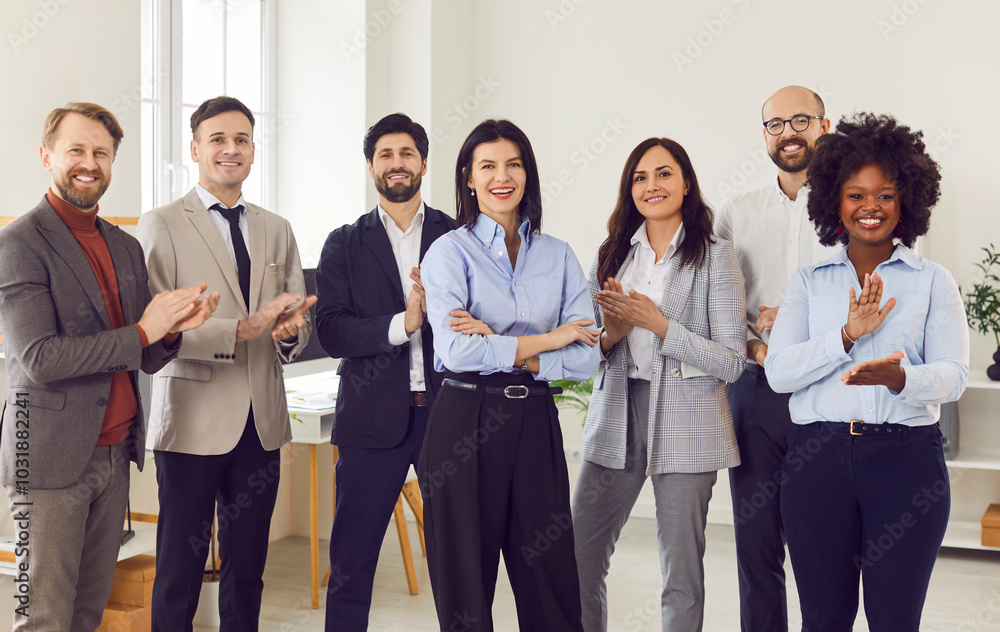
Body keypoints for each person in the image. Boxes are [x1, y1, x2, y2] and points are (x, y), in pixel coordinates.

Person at [0, 103, 216, 631]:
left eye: (101, 152)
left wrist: (174, 327)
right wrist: (146, 328)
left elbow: (140, 353)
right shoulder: (17, 245)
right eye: (76, 150)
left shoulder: (124, 246)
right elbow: (40, 358)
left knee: (87, 613)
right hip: (45, 458)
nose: (89, 163)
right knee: (44, 618)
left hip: (115, 452)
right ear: (47, 155)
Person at [764, 112, 968, 631]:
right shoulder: (809, 282)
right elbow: (780, 373)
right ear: (834, 201)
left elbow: (954, 374)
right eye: (856, 195)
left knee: (894, 621)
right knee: (823, 621)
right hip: (818, 462)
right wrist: (846, 337)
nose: (870, 207)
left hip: (907, 466)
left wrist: (902, 379)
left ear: (907, 203)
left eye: (885, 195)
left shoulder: (933, 282)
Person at [136, 96, 315, 631]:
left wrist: (287, 335)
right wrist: (239, 330)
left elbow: (294, 321)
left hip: (260, 425)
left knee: (249, 571)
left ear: (254, 151)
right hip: (192, 422)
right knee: (179, 571)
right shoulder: (160, 224)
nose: (230, 149)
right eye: (217, 139)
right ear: (195, 150)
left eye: (241, 139)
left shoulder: (276, 227)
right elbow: (156, 329)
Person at [418, 119, 600, 632]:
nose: (503, 176)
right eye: (488, 166)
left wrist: (502, 345)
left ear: (528, 174)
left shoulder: (558, 255)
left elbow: (587, 356)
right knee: (465, 587)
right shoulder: (449, 252)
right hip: (464, 417)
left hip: (535, 418)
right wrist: (548, 338)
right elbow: (455, 350)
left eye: (513, 165)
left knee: (551, 577)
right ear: (469, 178)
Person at [573, 137, 747, 632]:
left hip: (689, 419)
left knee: (681, 574)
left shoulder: (716, 256)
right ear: (630, 191)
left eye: (664, 174)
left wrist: (660, 325)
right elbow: (586, 349)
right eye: (640, 178)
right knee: (579, 555)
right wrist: (614, 335)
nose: (652, 186)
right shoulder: (611, 255)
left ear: (686, 183)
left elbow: (732, 361)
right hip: (617, 411)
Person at [314, 113, 454, 631]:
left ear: (422, 162)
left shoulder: (459, 235)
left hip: (450, 418)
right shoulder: (343, 244)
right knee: (351, 565)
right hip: (371, 423)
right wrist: (403, 322)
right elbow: (331, 330)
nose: (397, 165)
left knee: (459, 564)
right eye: (386, 156)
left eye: (407, 154)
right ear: (371, 166)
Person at [713, 84, 839, 632]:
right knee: (756, 544)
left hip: (831, 393)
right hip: (756, 390)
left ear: (824, 126)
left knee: (826, 545)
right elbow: (714, 307)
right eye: (775, 124)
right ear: (764, 135)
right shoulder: (737, 212)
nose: (788, 133)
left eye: (800, 120)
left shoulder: (854, 206)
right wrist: (758, 346)